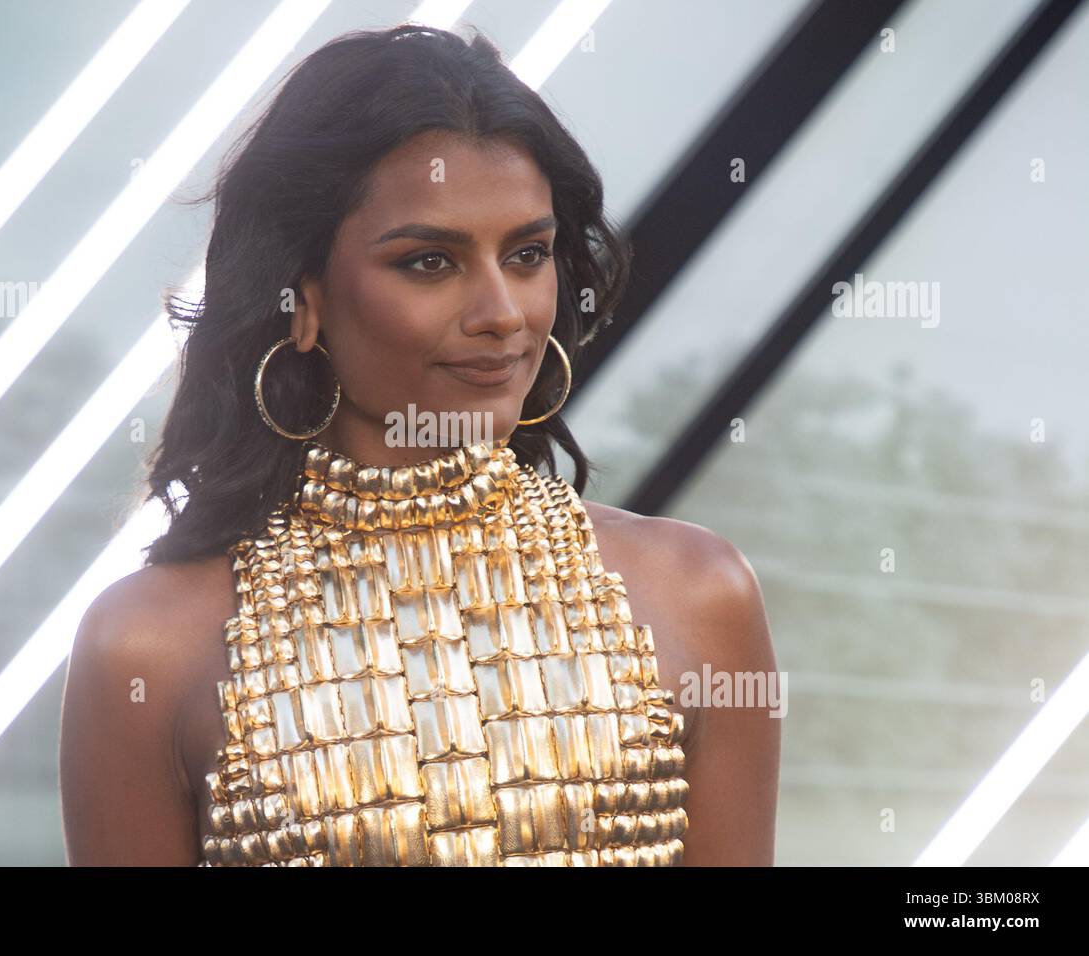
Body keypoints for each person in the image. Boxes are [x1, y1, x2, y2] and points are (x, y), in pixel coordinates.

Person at [59, 24, 779, 866]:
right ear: (305, 295)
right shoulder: (145, 646)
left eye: (527, 254)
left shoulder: (699, 594)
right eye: (430, 262)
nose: (502, 313)